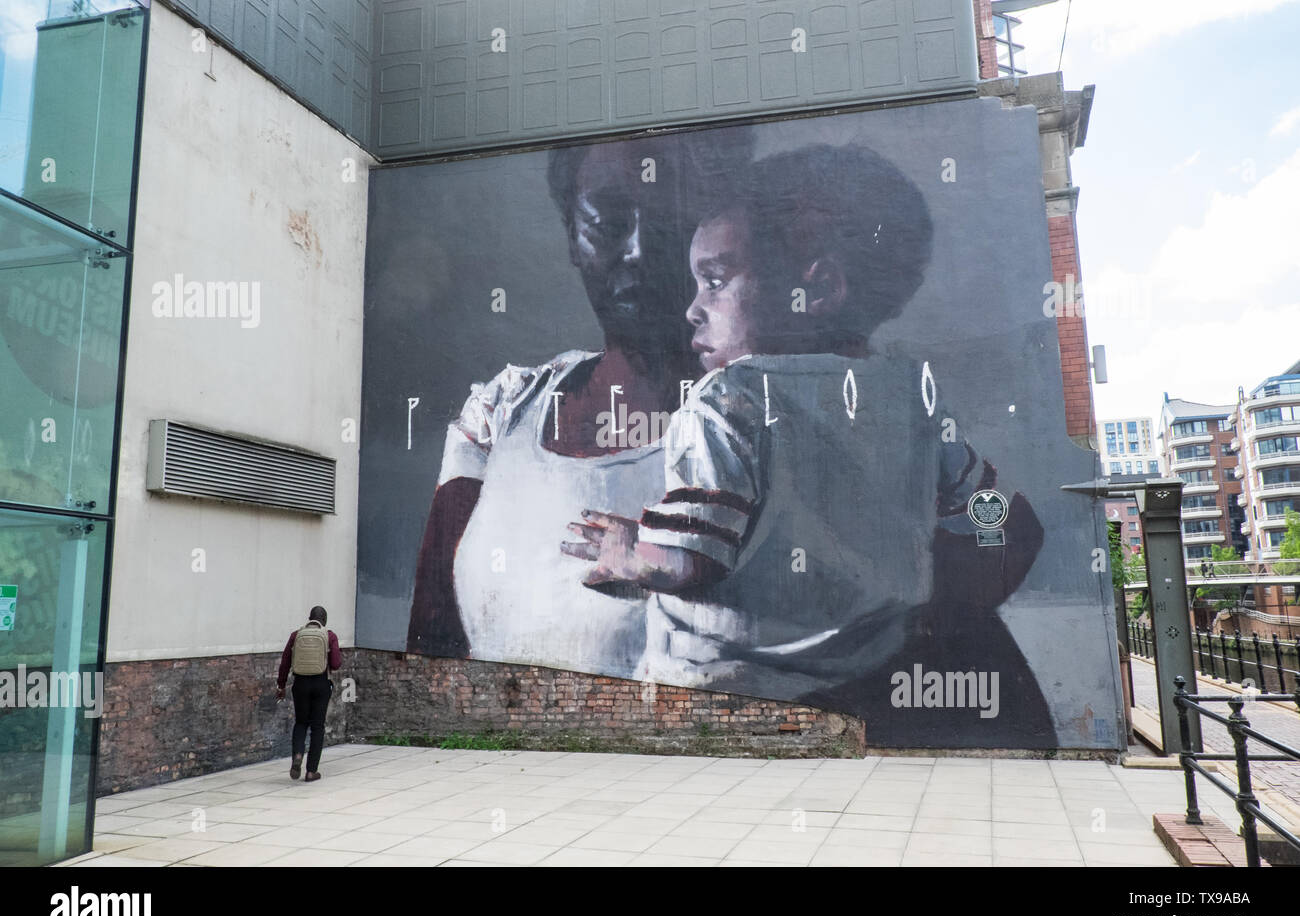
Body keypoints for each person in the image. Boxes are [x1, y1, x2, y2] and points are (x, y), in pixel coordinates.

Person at [563, 145, 1055, 744]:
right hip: (871, 676)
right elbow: (1004, 520)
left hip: (731, 699)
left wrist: (625, 552)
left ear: (818, 291)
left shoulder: (726, 401)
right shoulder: (911, 394)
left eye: (715, 281)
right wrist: (922, 606)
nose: (692, 309)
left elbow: (684, 561)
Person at [406, 129, 752, 678]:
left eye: (667, 225)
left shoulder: (752, 424)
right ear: (572, 233)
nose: (639, 251)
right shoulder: (500, 413)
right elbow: (431, 642)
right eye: (610, 223)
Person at [276, 605, 342, 781]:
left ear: (309, 618)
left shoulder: (296, 635)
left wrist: (281, 685)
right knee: (317, 727)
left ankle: (298, 756)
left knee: (301, 723)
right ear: (324, 620)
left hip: (300, 684)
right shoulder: (330, 636)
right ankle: (311, 771)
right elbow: (335, 664)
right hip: (321, 684)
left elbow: (285, 663)